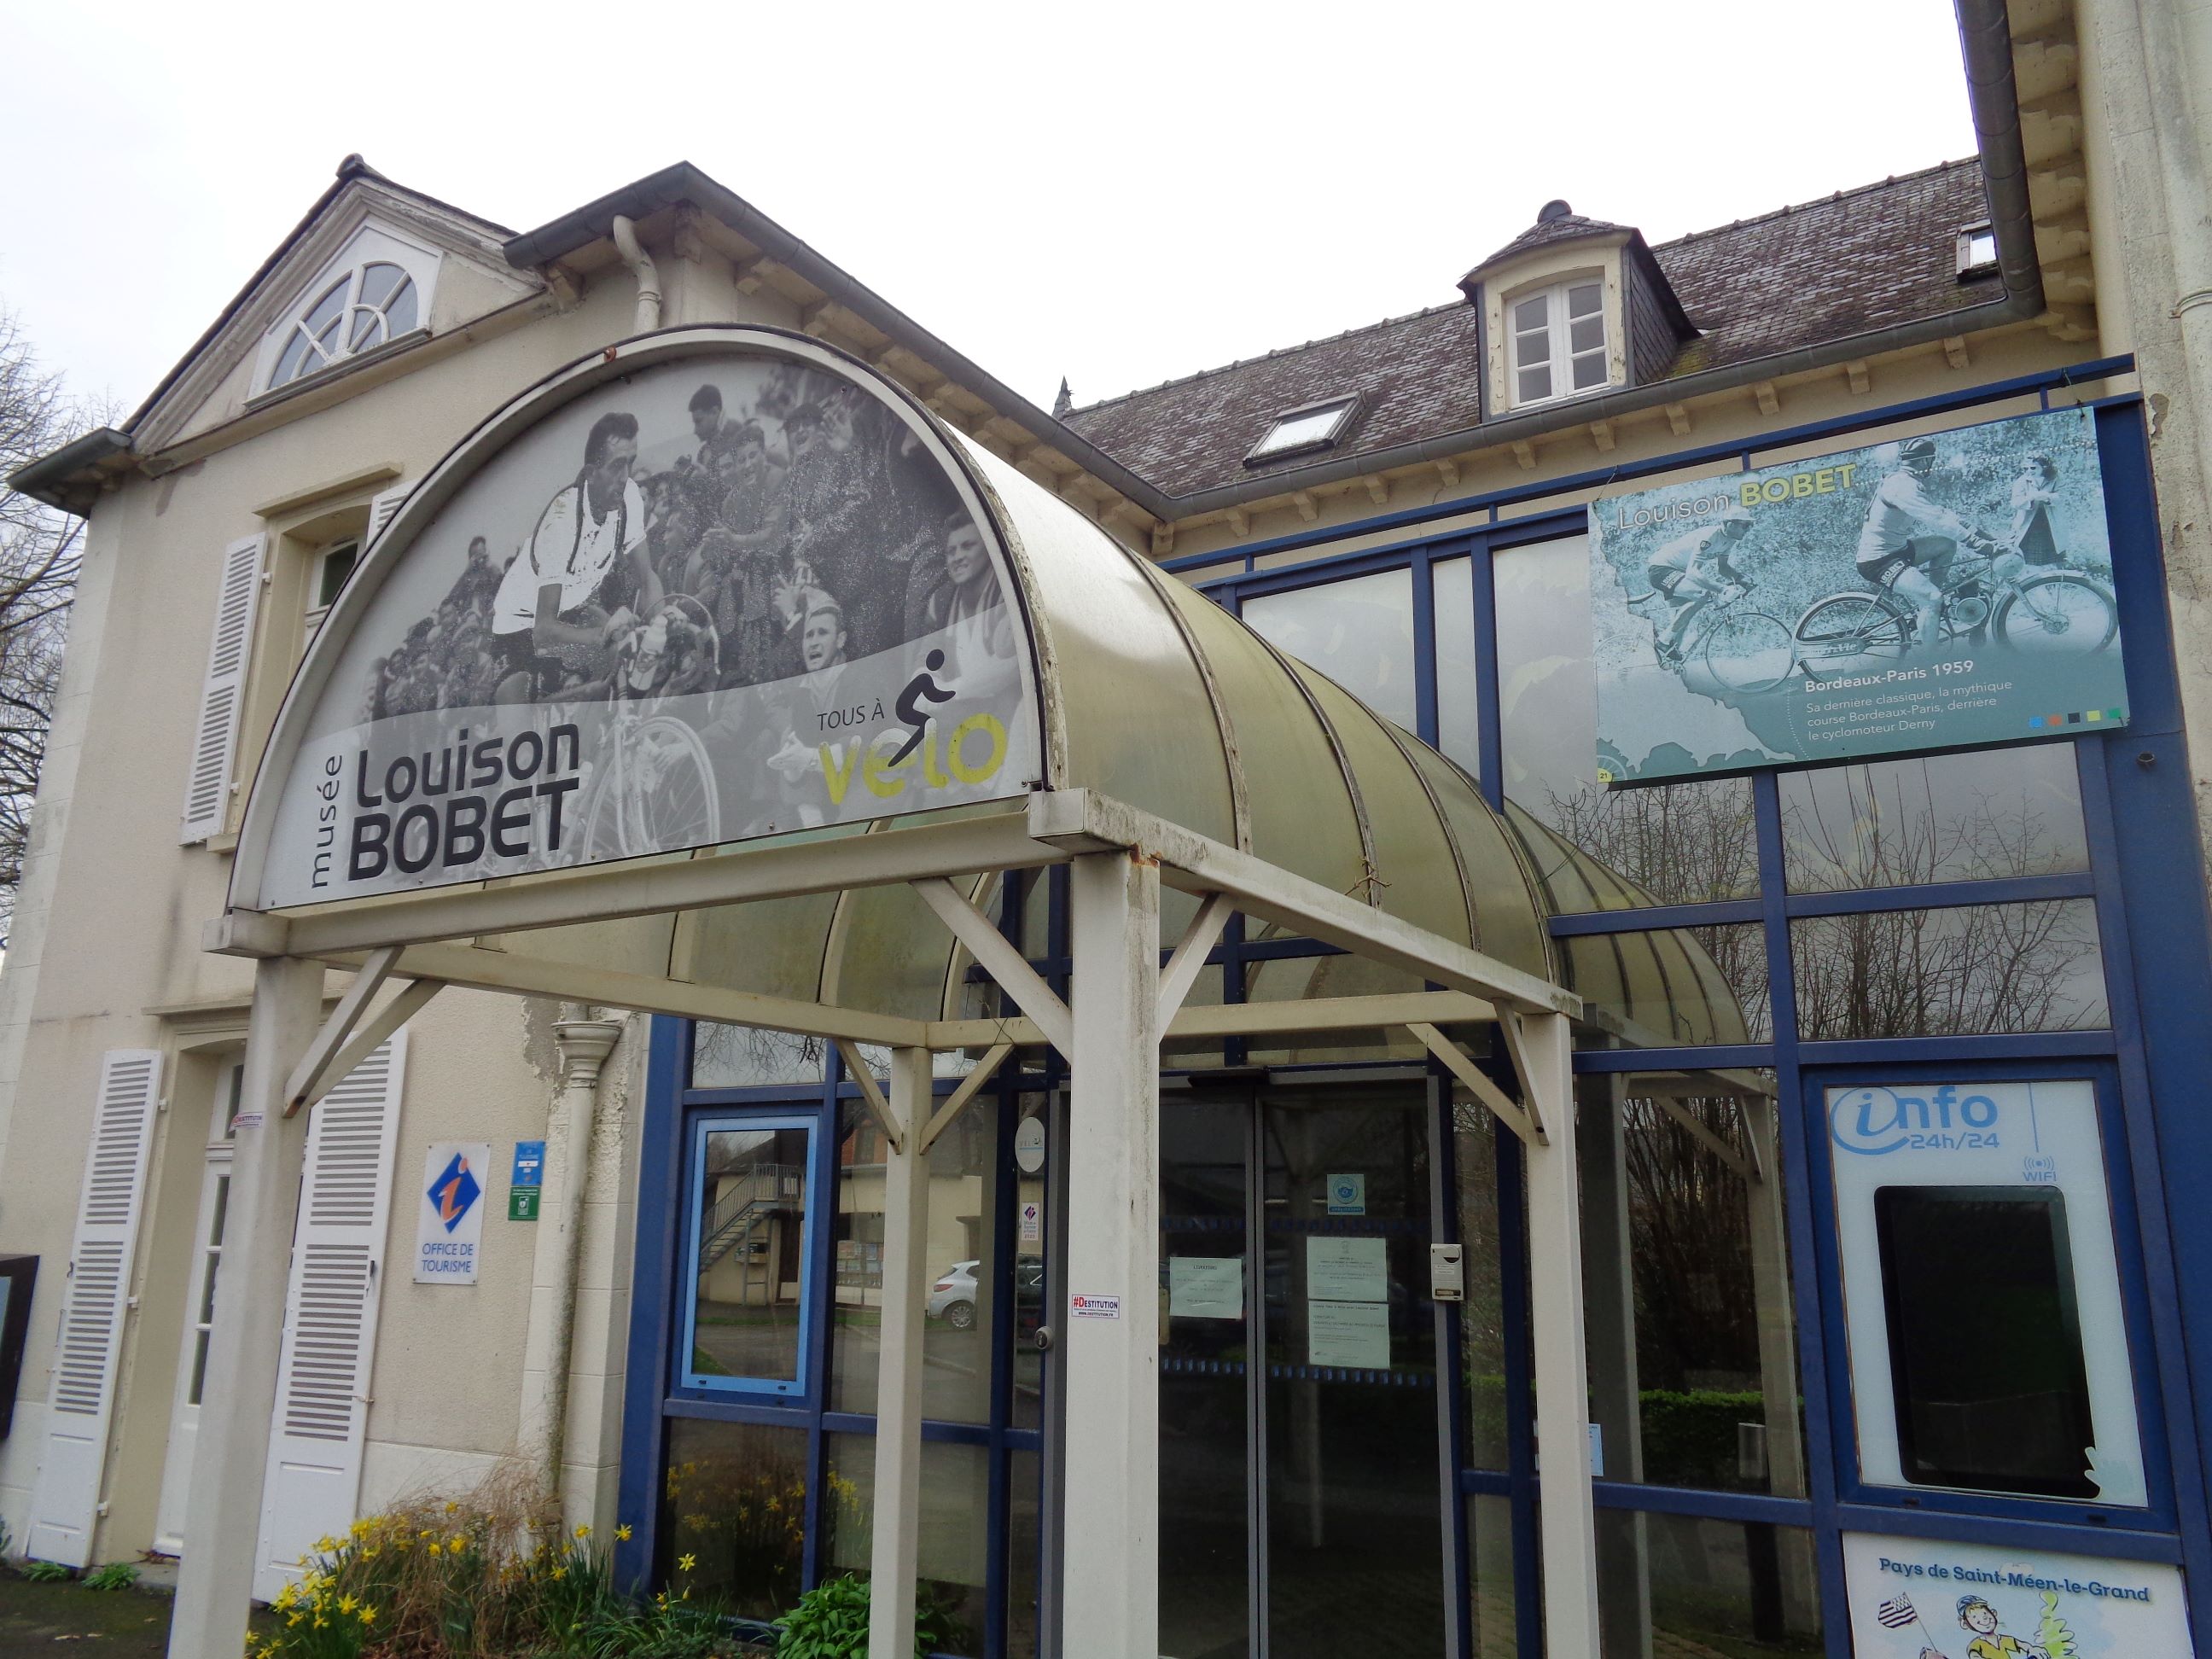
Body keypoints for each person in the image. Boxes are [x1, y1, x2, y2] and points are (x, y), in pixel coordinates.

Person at [491, 410, 663, 702]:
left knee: (627, 654)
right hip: (520, 627)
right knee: (518, 745)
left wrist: (661, 626)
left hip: (572, 609)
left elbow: (647, 580)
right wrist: (600, 636)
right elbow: (543, 629)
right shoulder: (561, 522)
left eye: (630, 464)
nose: (625, 477)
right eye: (616, 466)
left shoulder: (629, 496)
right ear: (591, 473)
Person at [1854, 435, 1998, 649]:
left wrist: (1987, 538)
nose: (1932, 466)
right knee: (1933, 597)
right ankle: (1931, 660)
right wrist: (1975, 543)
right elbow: (1937, 520)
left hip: (1896, 551)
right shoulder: (1904, 487)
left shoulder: (1903, 481)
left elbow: (1943, 514)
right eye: (1931, 460)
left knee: (1947, 544)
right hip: (1878, 560)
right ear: (1924, 461)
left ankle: (1930, 609)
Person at [1646, 505, 1754, 666]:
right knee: (1702, 595)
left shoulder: (1730, 540)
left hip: (1678, 572)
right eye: (1745, 525)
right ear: (1730, 524)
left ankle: (1667, 666)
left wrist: (1741, 578)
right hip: (1661, 568)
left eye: (1750, 526)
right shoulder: (1709, 536)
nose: (1748, 530)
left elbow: (1723, 568)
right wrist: (1723, 589)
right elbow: (1693, 572)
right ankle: (1662, 641)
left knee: (1682, 621)